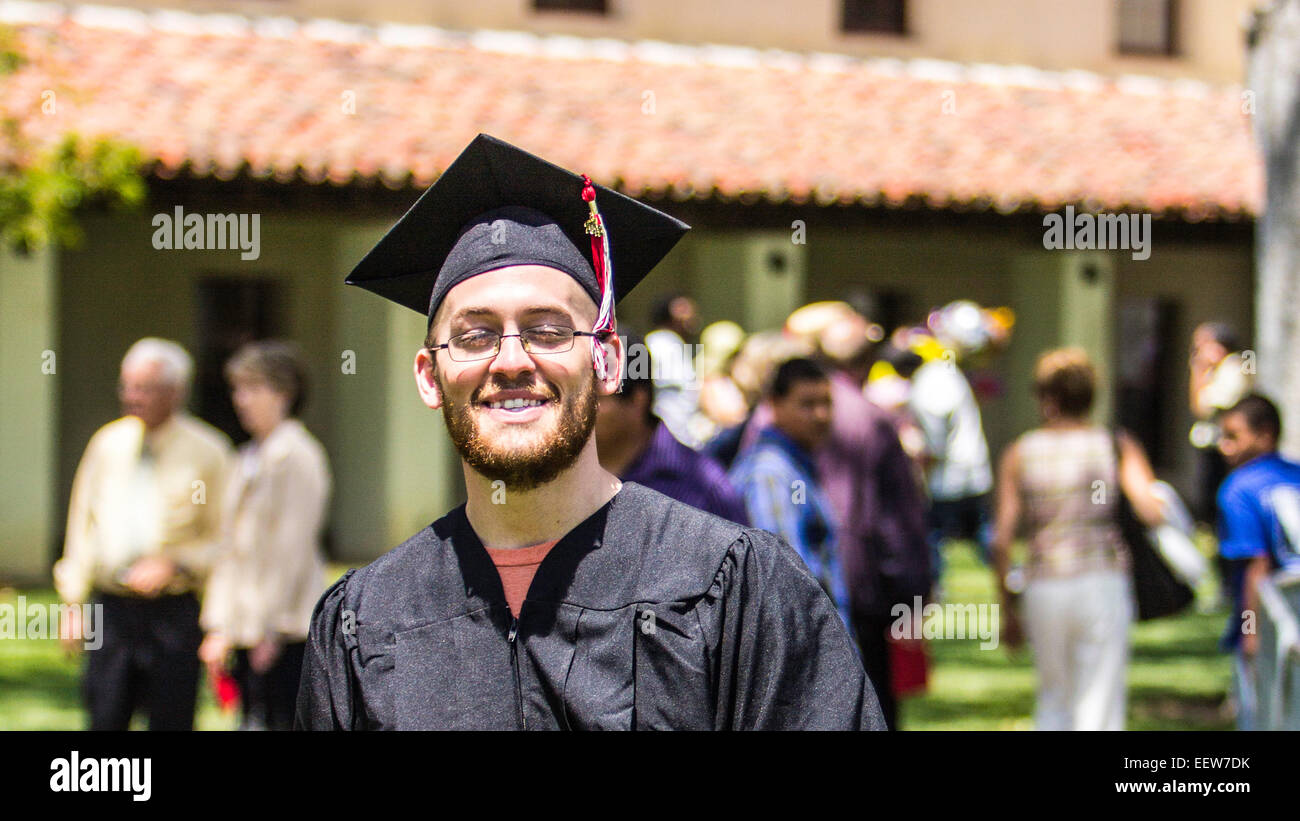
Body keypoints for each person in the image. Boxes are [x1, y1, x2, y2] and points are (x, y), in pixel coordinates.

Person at [295, 134, 884, 730]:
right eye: (475, 335)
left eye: (548, 330)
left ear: (606, 361)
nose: (511, 361)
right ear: (429, 375)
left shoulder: (736, 588)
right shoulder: (364, 622)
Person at [55, 338, 232, 730]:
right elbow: (82, 524)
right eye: (126, 386)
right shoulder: (107, 443)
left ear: (176, 392)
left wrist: (178, 563)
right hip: (111, 609)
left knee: (171, 720)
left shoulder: (210, 451)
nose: (131, 396)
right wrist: (72, 603)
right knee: (103, 717)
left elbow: (227, 541)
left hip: (174, 613)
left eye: (144, 388)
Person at [992, 348, 1164, 731]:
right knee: (1100, 702)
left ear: (1045, 397)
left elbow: (1001, 539)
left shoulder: (1021, 453)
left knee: (1054, 697)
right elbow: (1152, 510)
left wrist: (1007, 609)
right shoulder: (1115, 444)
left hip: (1044, 583)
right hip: (1101, 578)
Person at [199, 340, 332, 731]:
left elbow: (292, 547)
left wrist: (270, 630)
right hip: (244, 627)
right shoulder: (244, 459)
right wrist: (219, 625)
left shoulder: (299, 456)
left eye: (253, 388)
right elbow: (229, 549)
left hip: (284, 631)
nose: (241, 400)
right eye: (238, 389)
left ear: (283, 394)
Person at [729, 358, 853, 634]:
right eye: (807, 405)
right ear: (774, 405)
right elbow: (785, 581)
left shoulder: (795, 464)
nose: (821, 415)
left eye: (826, 403)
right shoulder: (770, 475)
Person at [595, 330, 748, 524]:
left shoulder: (702, 486)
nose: (580, 409)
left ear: (637, 400)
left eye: (595, 398)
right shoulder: (565, 478)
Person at [1213, 393, 1300, 730]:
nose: (1224, 446)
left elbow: (1256, 566)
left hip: (1273, 613)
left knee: (1263, 714)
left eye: (1233, 436)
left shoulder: (1238, 488)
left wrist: (1249, 632)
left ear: (1265, 434)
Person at [908, 301, 1002, 588]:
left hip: (951, 481)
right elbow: (934, 439)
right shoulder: (939, 375)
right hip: (951, 480)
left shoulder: (942, 373)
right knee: (952, 545)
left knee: (939, 545)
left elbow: (933, 441)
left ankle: (932, 591)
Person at [1189, 322, 1253, 526]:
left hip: (1223, 448)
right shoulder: (1215, 371)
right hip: (1211, 447)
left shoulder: (1233, 368)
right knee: (1208, 496)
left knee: (1220, 498)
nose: (1197, 353)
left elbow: (1204, 406)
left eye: (1201, 346)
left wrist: (1198, 370)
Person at [645, 292, 706, 447]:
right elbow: (668, 399)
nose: (691, 316)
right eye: (684, 310)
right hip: (669, 439)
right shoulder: (661, 343)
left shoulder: (674, 343)